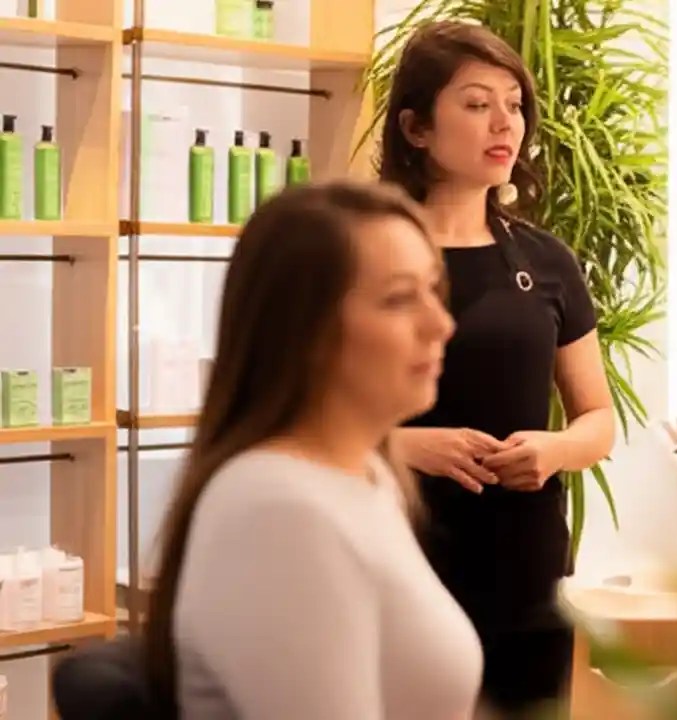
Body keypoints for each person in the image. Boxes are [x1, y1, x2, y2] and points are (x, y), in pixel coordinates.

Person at [141, 182, 479, 719]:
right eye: (398, 299)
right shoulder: (279, 512)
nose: (441, 324)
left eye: (433, 291)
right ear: (306, 331)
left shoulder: (367, 475)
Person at [380, 20, 616, 718]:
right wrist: (405, 445)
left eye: (514, 104)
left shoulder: (548, 263)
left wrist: (554, 450)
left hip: (527, 570)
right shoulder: (363, 253)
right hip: (398, 555)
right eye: (477, 103)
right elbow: (289, 419)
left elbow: (597, 419)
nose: (503, 122)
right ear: (417, 128)